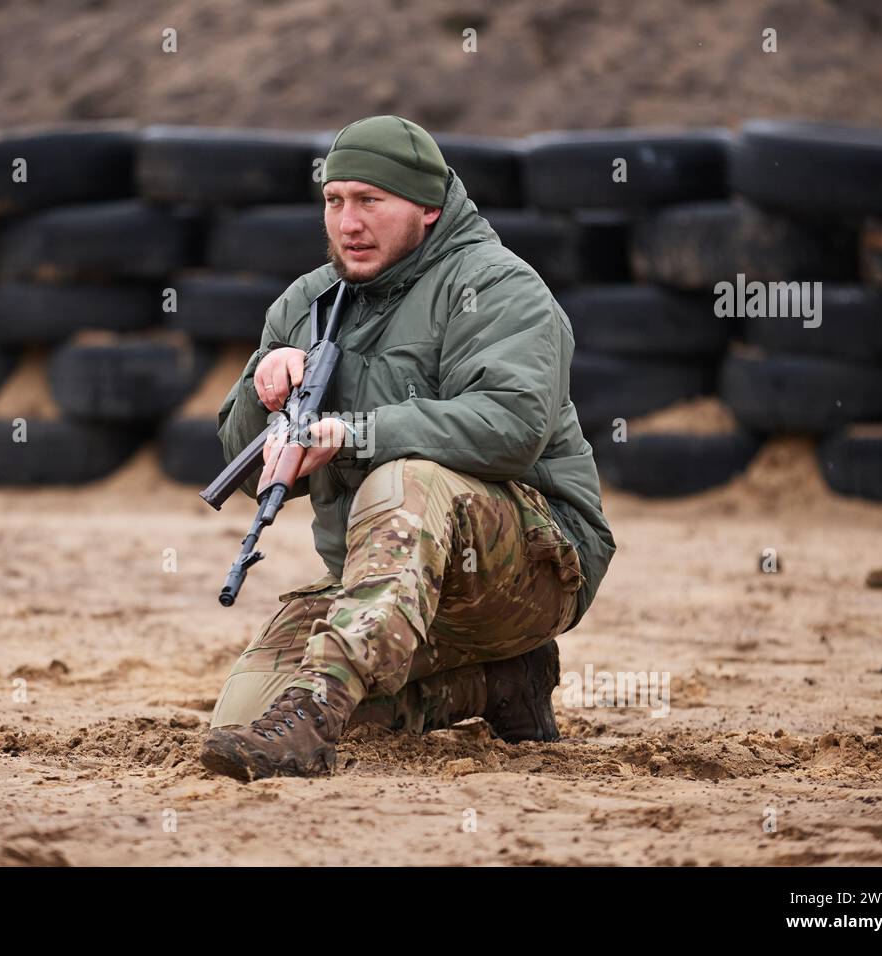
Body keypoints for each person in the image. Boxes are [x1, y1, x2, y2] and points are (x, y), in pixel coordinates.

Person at [199, 115, 615, 782]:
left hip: (529, 568)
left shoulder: (496, 286)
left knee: (408, 477)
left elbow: (510, 424)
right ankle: (496, 684)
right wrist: (265, 388)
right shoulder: (308, 304)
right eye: (334, 202)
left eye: (370, 201)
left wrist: (359, 434)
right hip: (385, 585)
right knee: (241, 717)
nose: (348, 224)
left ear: (426, 207)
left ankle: (314, 716)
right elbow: (245, 466)